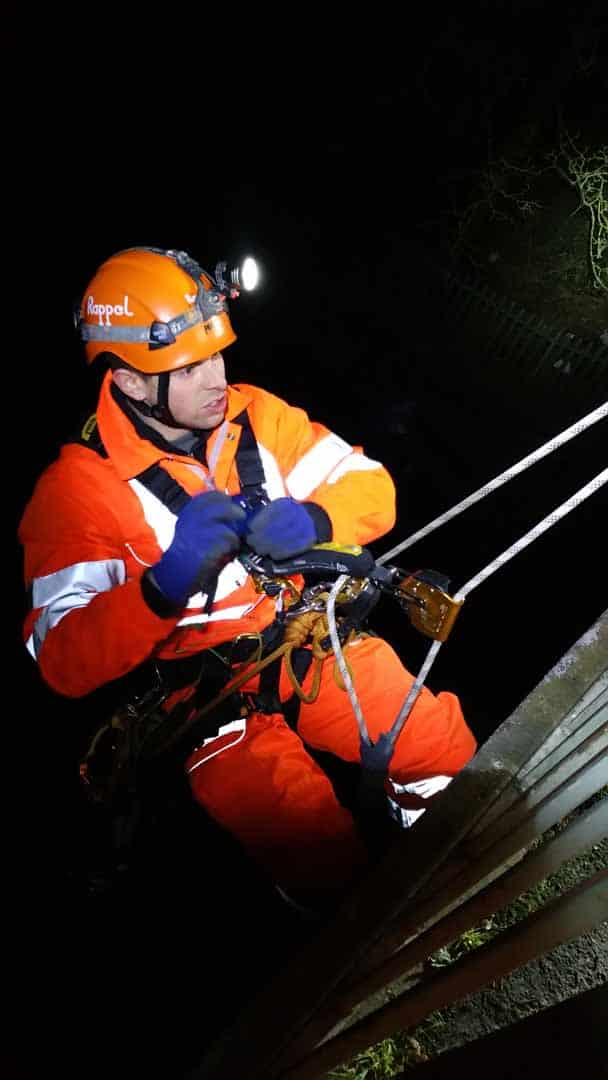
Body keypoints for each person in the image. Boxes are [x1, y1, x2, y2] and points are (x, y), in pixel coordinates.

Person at [18, 245, 476, 910]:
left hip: (309, 642)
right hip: (209, 707)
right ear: (131, 382)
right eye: (191, 365)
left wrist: (318, 518)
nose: (216, 377)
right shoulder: (77, 492)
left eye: (218, 353)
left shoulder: (255, 416)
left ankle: (461, 887)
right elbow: (62, 658)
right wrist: (160, 588)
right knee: (323, 862)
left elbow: (371, 485)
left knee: (442, 756)